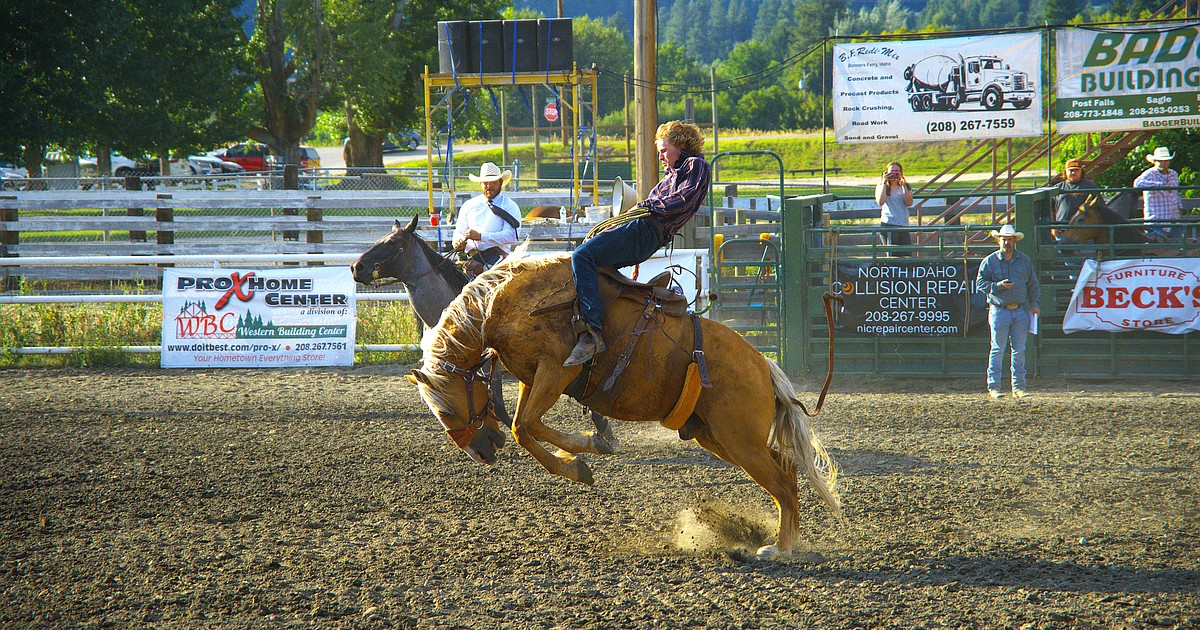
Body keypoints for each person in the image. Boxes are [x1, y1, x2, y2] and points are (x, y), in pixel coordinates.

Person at [564, 121, 711, 367]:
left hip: (646, 230)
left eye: (664, 150)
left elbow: (682, 200)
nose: (660, 156)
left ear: (681, 146)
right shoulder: (672, 174)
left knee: (582, 256)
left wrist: (643, 206)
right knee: (596, 265)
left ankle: (592, 331)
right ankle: (605, 323)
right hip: (645, 231)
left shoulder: (695, 165)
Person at [976, 224, 1041, 400]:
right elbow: (980, 283)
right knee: (998, 349)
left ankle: (1018, 387)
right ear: (999, 241)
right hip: (1000, 310)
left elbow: (1033, 285)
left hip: (1019, 310)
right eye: (1004, 239)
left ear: (1014, 241)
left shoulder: (1024, 260)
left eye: (1010, 240)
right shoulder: (990, 261)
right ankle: (994, 387)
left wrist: (1035, 303)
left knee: (1018, 350)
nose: (1007, 243)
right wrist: (998, 286)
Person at [453, 162, 522, 276]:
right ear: (481, 184)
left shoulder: (509, 206)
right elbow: (459, 231)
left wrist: (481, 237)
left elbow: (511, 235)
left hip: (497, 256)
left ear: (500, 183)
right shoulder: (469, 205)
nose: (489, 186)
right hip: (471, 257)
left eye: (493, 182)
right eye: (485, 183)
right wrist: (458, 242)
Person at [1133, 146, 1183, 243]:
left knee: (1177, 247)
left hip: (1174, 220)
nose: (1163, 163)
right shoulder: (1149, 174)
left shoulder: (1173, 174)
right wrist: (1159, 185)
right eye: (1160, 161)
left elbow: (1175, 193)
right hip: (1157, 221)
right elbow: (1137, 184)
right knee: (1156, 248)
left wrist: (1179, 208)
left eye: (1166, 160)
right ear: (1155, 161)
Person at [1050, 158, 1098, 241]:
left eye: (1076, 170)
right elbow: (1050, 209)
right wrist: (1053, 226)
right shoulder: (1058, 187)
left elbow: (1099, 207)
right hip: (1062, 231)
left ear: (1081, 171)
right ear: (1065, 171)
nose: (1073, 172)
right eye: (1071, 170)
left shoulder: (1090, 186)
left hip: (1083, 231)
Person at [874, 161, 913, 256]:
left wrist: (903, 186)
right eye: (891, 171)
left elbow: (909, 203)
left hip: (903, 224)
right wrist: (884, 182)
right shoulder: (881, 186)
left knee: (906, 255)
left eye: (896, 171)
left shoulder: (905, 186)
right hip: (889, 223)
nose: (894, 174)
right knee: (892, 255)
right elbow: (881, 202)